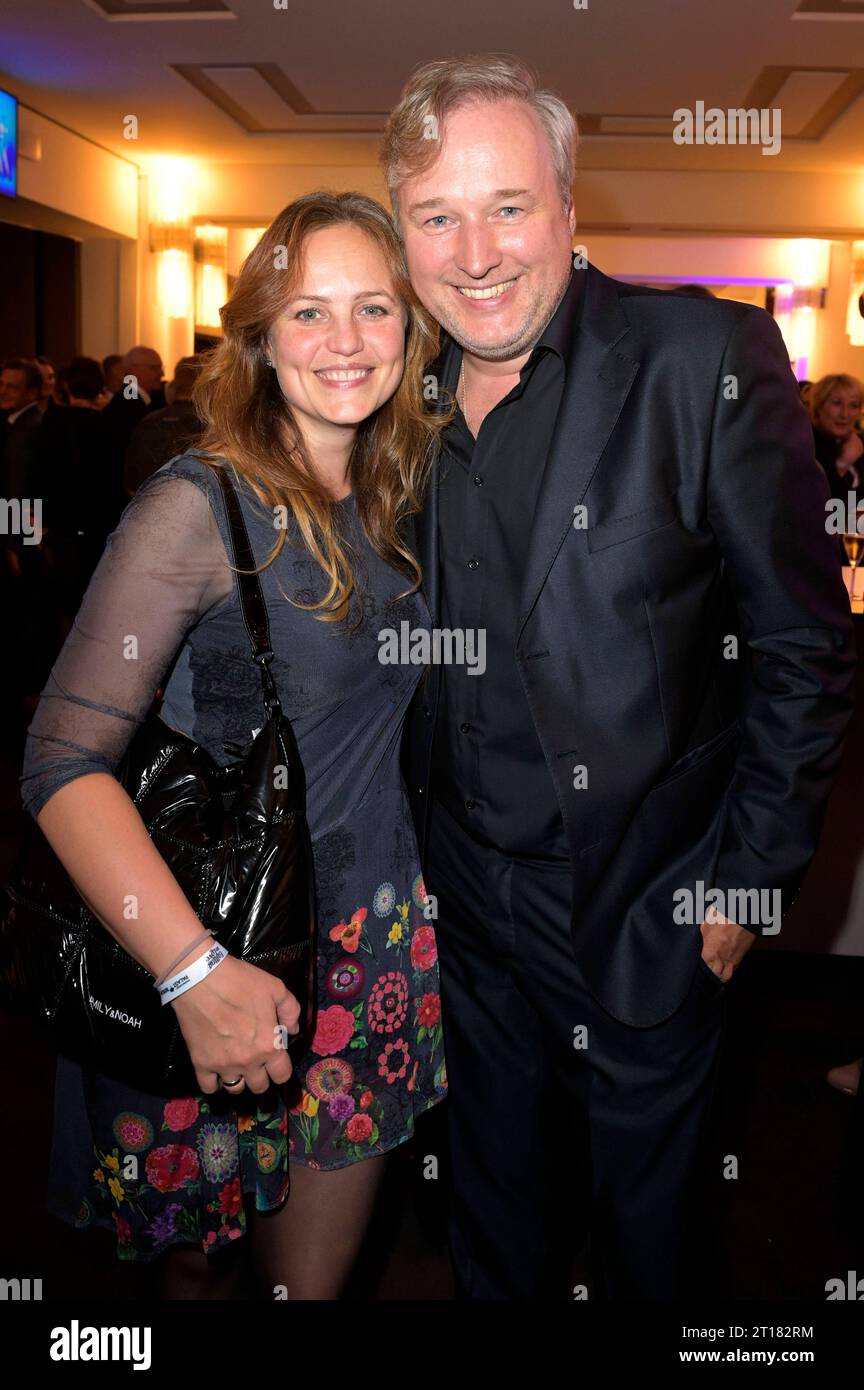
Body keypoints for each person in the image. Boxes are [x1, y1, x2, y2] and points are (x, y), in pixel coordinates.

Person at [384, 54, 856, 1300]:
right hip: (460, 914)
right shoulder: (387, 393)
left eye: (508, 206)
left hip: (650, 908)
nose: (475, 251)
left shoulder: (704, 355)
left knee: (656, 1246)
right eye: (437, 216)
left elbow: (804, 649)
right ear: (403, 235)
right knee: (495, 1227)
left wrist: (744, 892)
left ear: (570, 209)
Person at [19, 191, 449, 1299]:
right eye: (309, 313)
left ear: (412, 329)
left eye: (374, 309)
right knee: (189, 1285)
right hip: (220, 944)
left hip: (372, 950)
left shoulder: (402, 495)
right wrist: (192, 972)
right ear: (259, 335)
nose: (346, 342)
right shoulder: (197, 505)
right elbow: (60, 762)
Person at [123, 355, 205, 496]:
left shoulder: (147, 421)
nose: (161, 374)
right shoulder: (209, 425)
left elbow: (131, 483)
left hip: (145, 510)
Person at [809, 372, 863, 498]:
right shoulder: (807, 445)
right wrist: (843, 463)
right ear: (819, 406)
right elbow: (814, 501)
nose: (845, 414)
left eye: (853, 405)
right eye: (836, 403)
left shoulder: (859, 442)